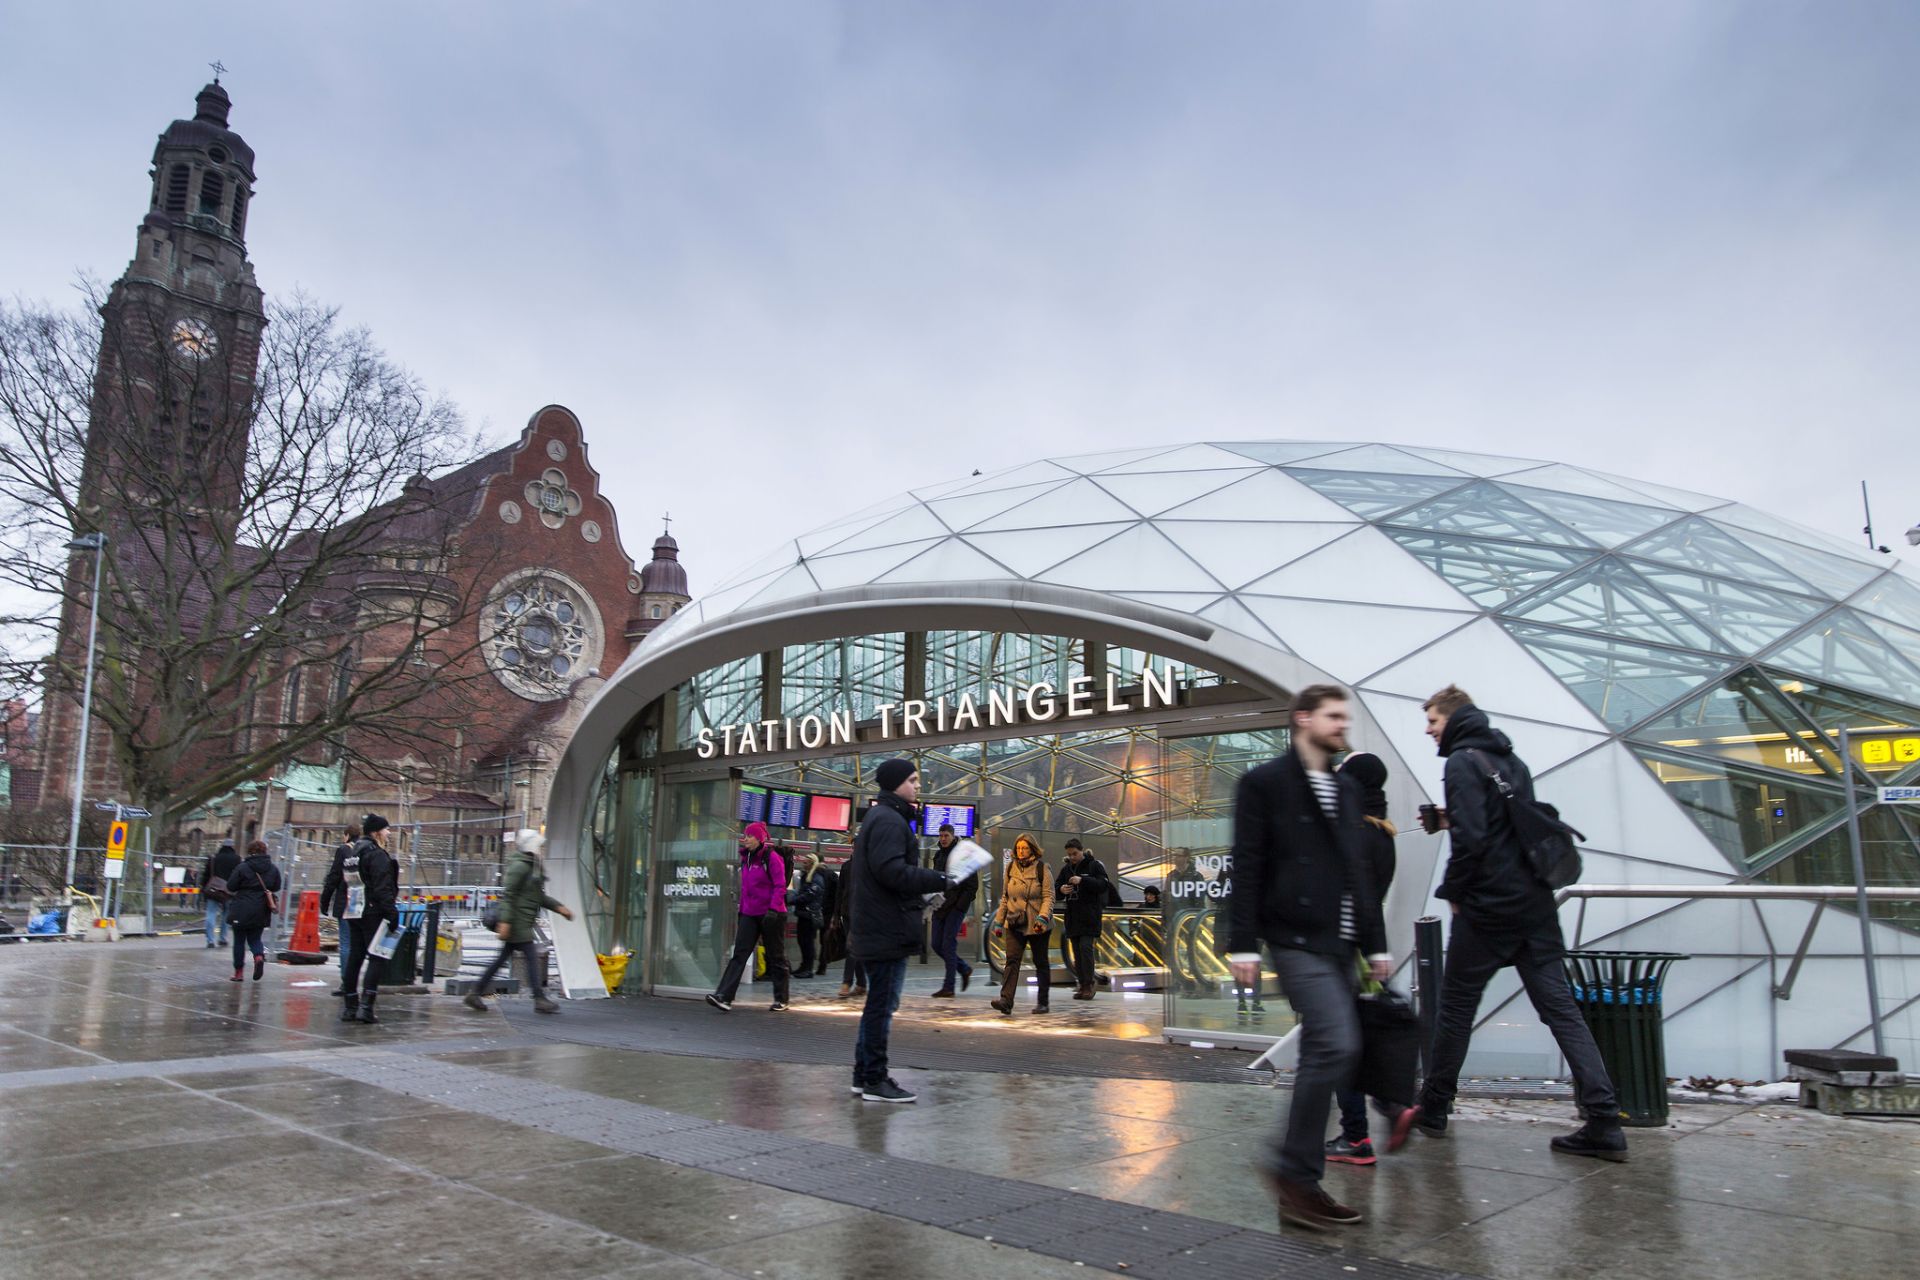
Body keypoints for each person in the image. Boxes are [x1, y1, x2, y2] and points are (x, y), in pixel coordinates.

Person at [1394, 686, 1627, 1163]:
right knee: (1560, 1009)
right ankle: (1604, 1119)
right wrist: (1448, 819)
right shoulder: (1507, 759)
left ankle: (1434, 1107)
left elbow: (1475, 841)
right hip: (1534, 905)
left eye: (1433, 720)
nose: (1428, 729)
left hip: (1488, 908)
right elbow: (1507, 824)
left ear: (1453, 719)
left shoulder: (1459, 762)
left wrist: (1454, 894)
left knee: (1456, 1008)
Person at [1225, 684, 1390, 1231]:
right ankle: (1292, 1170)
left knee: (1335, 1049)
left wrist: (1375, 944)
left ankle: (1298, 1184)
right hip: (1294, 938)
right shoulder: (1264, 783)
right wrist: (1242, 942)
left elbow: (1357, 875)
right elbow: (1247, 865)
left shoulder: (1343, 791)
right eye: (1334, 716)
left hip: (1340, 942)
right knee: (1337, 1042)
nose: (1343, 724)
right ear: (1304, 719)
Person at [847, 758, 966, 1103]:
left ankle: (863, 1075)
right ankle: (874, 1079)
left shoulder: (881, 817)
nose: (918, 786)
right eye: (912, 780)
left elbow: (888, 874)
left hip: (880, 925)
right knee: (882, 1006)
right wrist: (938, 879)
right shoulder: (889, 820)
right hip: (886, 929)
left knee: (878, 1004)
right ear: (896, 783)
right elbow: (892, 872)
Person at [1325, 752, 1401, 1167]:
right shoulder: (1383, 836)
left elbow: (1354, 898)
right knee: (1358, 1038)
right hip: (1362, 949)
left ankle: (1356, 1136)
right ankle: (1391, 1102)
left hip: (1341, 949)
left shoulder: (1352, 836)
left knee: (1341, 1047)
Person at [465, 829, 574, 1014]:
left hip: (521, 921)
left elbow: (537, 896)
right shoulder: (521, 866)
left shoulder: (531, 865)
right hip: (517, 922)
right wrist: (506, 922)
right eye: (538, 845)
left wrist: (559, 908)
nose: (541, 848)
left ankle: (475, 993)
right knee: (530, 959)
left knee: (501, 960)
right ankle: (539, 999)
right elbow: (509, 895)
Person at [707, 822, 792, 1012]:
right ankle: (724, 996)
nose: (745, 839)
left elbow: (780, 885)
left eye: (749, 836)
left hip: (772, 914)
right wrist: (742, 912)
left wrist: (773, 909)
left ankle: (782, 999)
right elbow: (746, 889)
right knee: (739, 954)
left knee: (775, 956)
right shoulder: (746, 859)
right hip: (750, 913)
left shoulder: (772, 858)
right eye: (744, 836)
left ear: (760, 838)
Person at [338, 814, 400, 1025]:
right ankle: (366, 1007)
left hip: (354, 909)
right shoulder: (377, 854)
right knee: (376, 957)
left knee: (355, 957)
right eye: (386, 829)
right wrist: (391, 913)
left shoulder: (352, 851)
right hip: (373, 911)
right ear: (376, 832)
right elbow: (382, 887)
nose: (388, 833)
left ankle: (350, 1006)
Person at [989, 835, 1054, 1017]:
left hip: (1036, 924)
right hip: (1015, 921)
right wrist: (999, 922)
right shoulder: (1010, 868)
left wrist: (1042, 918)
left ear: (1032, 849)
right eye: (1018, 848)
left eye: (1024, 848)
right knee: (1012, 960)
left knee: (1040, 962)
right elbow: (1005, 897)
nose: (1021, 851)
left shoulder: (1042, 868)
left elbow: (1049, 896)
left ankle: (1043, 1002)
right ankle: (1006, 1000)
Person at [1056, 838, 1111, 1001]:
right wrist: (1061, 889)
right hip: (1073, 917)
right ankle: (1082, 984)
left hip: (1089, 916)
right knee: (1077, 952)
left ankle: (1088, 984)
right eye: (1069, 854)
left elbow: (1103, 884)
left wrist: (1083, 880)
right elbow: (1056, 888)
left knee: (1086, 949)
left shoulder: (1094, 866)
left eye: (1075, 853)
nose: (1072, 857)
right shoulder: (1066, 869)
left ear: (1082, 851)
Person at [928, 824, 977, 998]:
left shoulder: (964, 856)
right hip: (940, 905)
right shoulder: (938, 855)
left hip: (955, 907)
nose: (943, 838)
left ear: (953, 836)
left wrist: (959, 906)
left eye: (946, 835)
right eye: (941, 835)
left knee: (948, 945)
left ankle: (949, 987)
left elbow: (972, 886)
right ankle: (963, 968)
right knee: (936, 944)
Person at [224, 840, 282, 982]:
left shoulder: (242, 867)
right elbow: (277, 886)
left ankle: (238, 973)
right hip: (261, 908)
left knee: (239, 941)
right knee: (255, 938)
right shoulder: (273, 868)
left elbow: (231, 886)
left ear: (250, 851)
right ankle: (258, 957)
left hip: (242, 907)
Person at [318, 823, 361, 994]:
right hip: (360, 901)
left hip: (345, 901)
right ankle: (355, 979)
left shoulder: (344, 850)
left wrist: (325, 901)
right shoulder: (366, 848)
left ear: (347, 835)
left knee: (346, 944)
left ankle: (347, 982)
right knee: (357, 944)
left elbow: (334, 877)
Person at [787, 851, 830, 978]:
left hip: (810, 915)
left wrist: (792, 900)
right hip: (804, 914)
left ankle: (808, 969)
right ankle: (804, 966)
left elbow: (809, 895)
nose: (803, 864)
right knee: (802, 941)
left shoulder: (816, 877)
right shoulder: (807, 876)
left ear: (811, 863)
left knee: (807, 942)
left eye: (805, 862)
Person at [201, 842, 239, 949]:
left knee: (211, 914)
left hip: (214, 891)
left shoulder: (213, 858)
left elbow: (206, 876)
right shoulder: (237, 859)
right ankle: (223, 938)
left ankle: (210, 940)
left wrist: (203, 889)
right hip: (230, 891)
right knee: (226, 915)